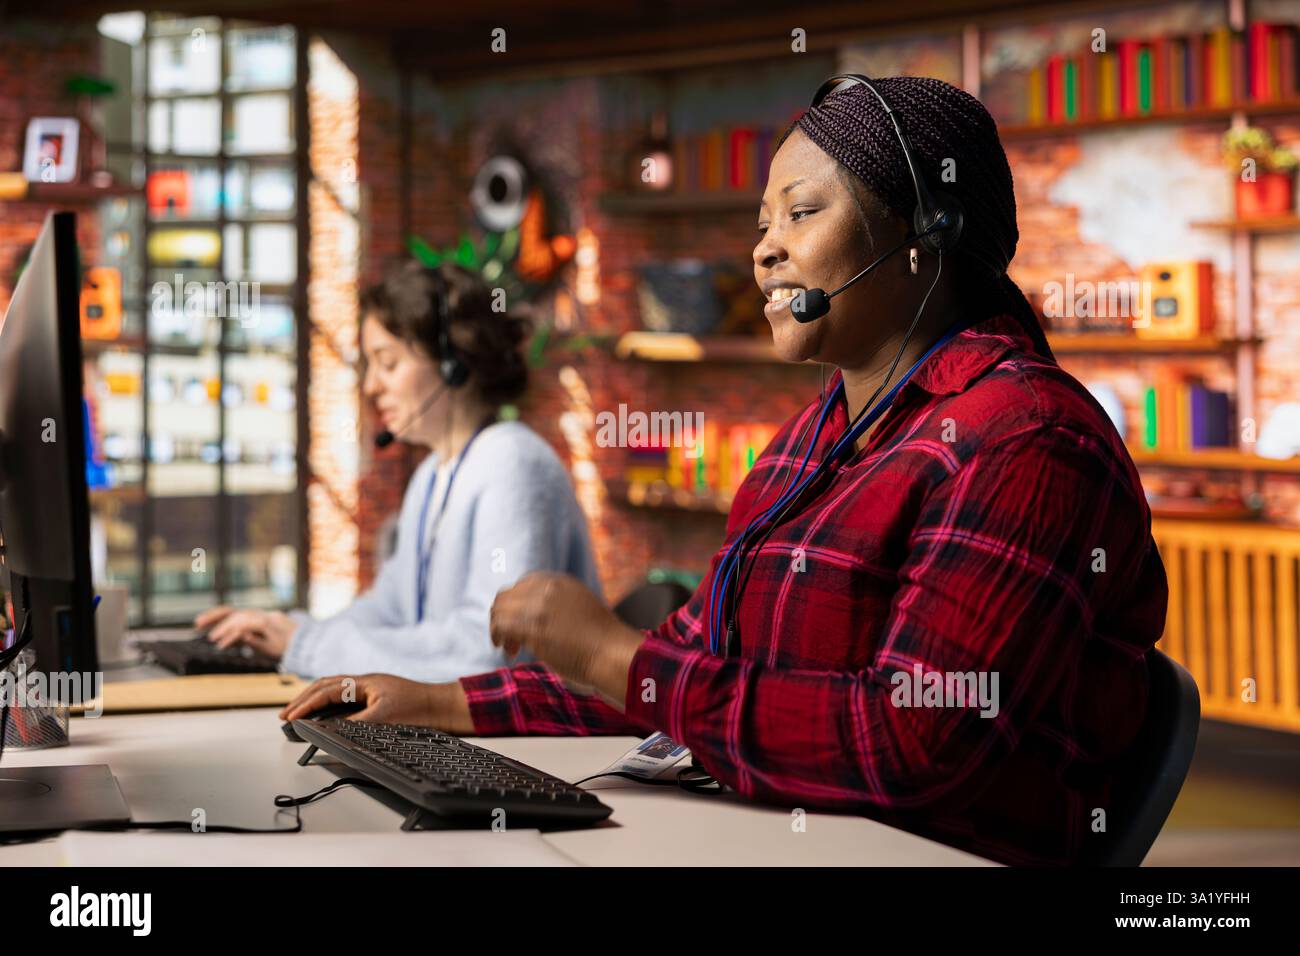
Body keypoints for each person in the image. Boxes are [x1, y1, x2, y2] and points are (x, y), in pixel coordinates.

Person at [282, 76, 1168, 866]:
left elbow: (911, 744)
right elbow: (691, 665)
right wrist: (438, 707)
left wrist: (610, 652)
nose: (765, 251)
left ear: (924, 232)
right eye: (762, 225)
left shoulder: (1026, 440)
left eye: (802, 213)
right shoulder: (804, 445)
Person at [199, 261, 602, 682]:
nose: (371, 386)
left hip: (538, 745)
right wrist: (289, 630)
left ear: (454, 364)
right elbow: (390, 611)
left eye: (388, 363)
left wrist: (308, 647)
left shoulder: (513, 464)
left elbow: (491, 653)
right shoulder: (433, 474)